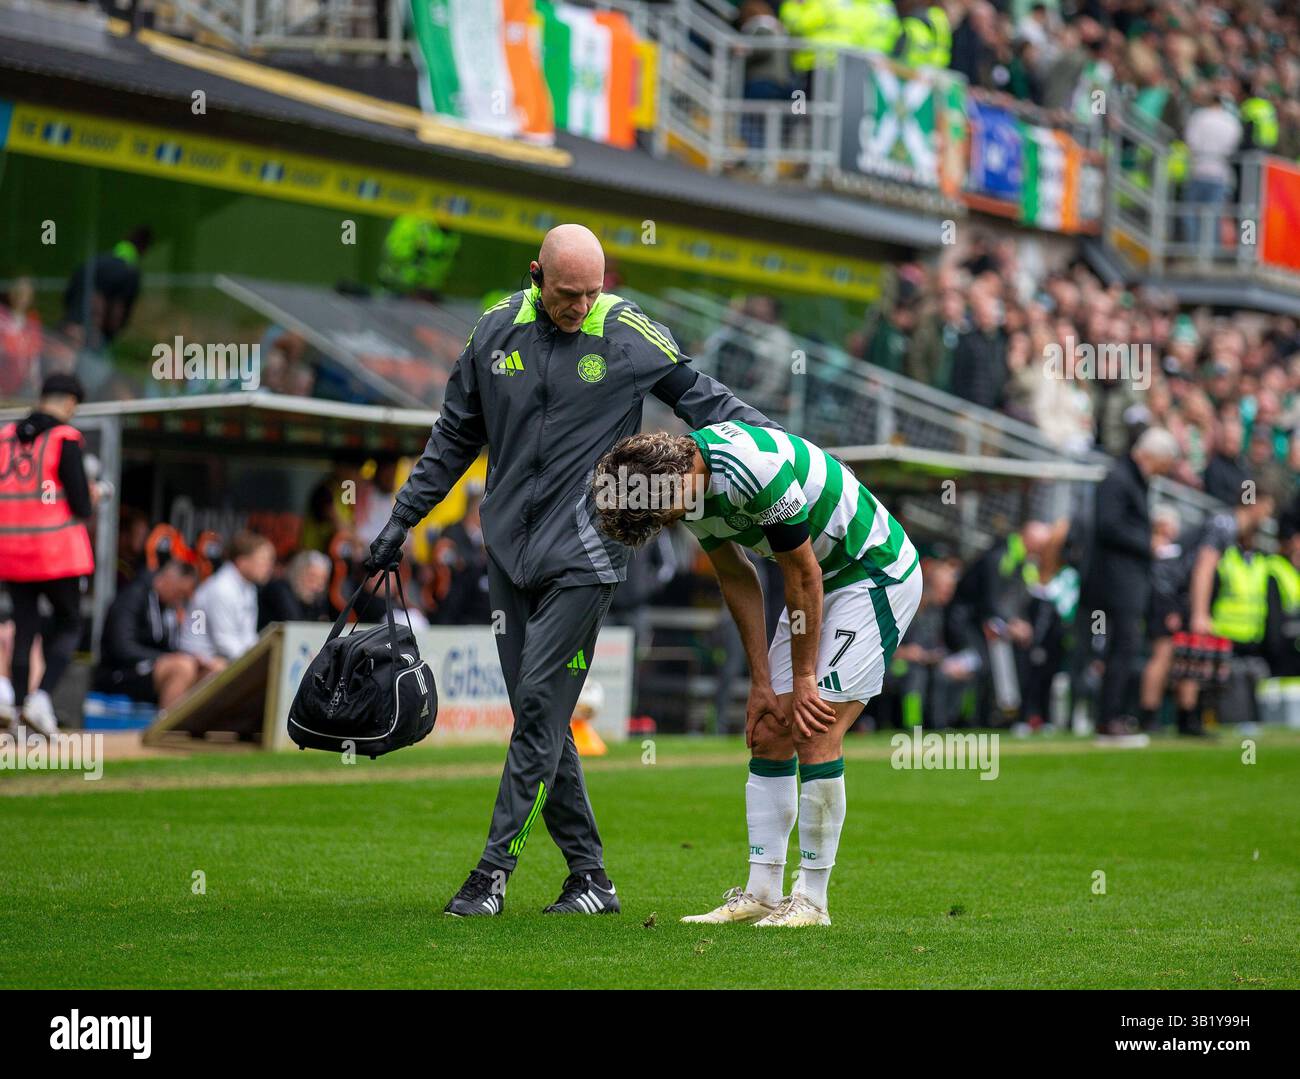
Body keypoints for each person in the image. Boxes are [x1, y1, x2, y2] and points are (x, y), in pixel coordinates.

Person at [365, 223, 772, 918]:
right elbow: (453, 434)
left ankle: (492, 872)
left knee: (534, 709)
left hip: (587, 555)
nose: (579, 305)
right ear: (535, 276)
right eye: (566, 293)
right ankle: (591, 877)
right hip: (507, 555)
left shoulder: (630, 333)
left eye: (591, 292)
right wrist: (402, 518)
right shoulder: (493, 333)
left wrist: (786, 460)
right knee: (542, 714)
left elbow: (708, 401)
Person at [593, 419, 921, 927]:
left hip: (870, 573)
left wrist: (805, 678)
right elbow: (737, 574)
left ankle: (812, 900)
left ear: (676, 476)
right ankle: (762, 893)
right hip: (814, 582)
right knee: (770, 730)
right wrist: (762, 684)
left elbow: (803, 571)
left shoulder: (754, 470)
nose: (669, 521)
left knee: (815, 724)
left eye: (664, 514)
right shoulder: (689, 484)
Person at [0, 374, 96, 735]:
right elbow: (81, 505)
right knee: (70, 623)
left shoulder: (5, 437)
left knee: (24, 627)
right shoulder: (64, 438)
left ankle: (16, 704)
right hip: (56, 553)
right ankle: (40, 699)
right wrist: (94, 493)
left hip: (10, 551)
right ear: (70, 402)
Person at [1086, 427, 1179, 736]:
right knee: (1120, 647)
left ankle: (1113, 715)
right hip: (1116, 582)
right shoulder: (1119, 479)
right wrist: (1147, 542)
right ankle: (1108, 716)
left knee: (1124, 647)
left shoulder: (1130, 480)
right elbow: (1108, 526)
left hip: (1126, 580)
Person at [95, 560, 211, 709]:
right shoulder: (132, 596)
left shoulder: (170, 608)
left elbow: (169, 648)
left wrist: (191, 657)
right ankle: (167, 728)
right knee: (182, 667)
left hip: (153, 668)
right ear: (168, 580)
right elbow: (122, 648)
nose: (180, 599)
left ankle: (197, 726)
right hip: (120, 673)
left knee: (211, 670)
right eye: (180, 592)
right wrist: (165, 658)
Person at [179, 531, 276, 666]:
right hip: (196, 659)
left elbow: (247, 636)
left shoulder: (248, 587)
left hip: (220, 657)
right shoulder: (222, 588)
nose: (269, 566)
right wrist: (259, 662)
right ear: (242, 561)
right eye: (263, 559)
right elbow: (224, 641)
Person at [62, 226, 152, 346]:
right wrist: (111, 333)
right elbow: (118, 310)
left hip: (68, 327)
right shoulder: (130, 273)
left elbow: (69, 293)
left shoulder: (94, 261)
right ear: (144, 249)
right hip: (94, 335)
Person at [258, 550, 331, 629]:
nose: (318, 585)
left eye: (323, 579)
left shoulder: (317, 600)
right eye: (312, 577)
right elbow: (296, 624)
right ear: (297, 573)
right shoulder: (279, 591)